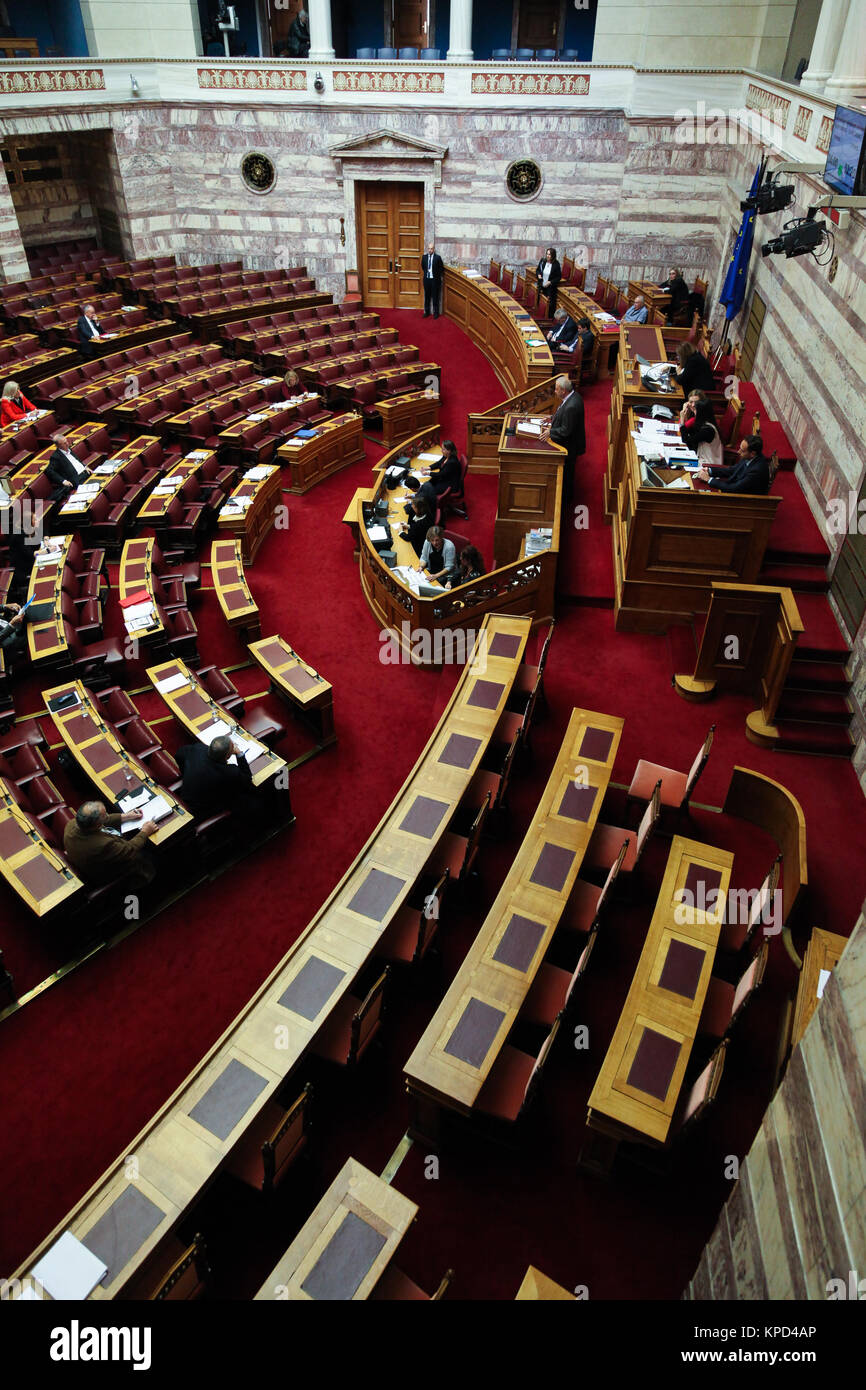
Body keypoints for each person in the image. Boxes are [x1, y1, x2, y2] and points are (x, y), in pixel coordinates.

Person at [63, 801, 157, 890]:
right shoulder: (103, 845)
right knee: (151, 850)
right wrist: (145, 832)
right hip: (119, 873)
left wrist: (126, 816)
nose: (107, 816)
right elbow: (130, 849)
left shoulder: (72, 824)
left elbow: (104, 820)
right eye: (105, 815)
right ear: (97, 825)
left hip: (96, 860)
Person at [176, 734, 261, 818]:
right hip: (203, 811)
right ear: (227, 756)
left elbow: (178, 755)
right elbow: (247, 779)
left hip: (185, 798)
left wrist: (187, 771)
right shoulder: (230, 772)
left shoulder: (198, 748)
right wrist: (239, 754)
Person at [696, 434, 771, 494]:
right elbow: (732, 470)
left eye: (742, 450)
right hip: (735, 489)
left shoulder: (757, 471)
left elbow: (734, 489)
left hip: (744, 502)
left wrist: (709, 479)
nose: (738, 452)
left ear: (752, 453)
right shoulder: (749, 457)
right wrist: (710, 471)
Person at [543, 374, 586, 470]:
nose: (554, 391)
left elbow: (566, 430)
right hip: (571, 442)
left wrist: (550, 432)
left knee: (567, 473)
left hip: (569, 447)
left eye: (556, 389)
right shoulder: (573, 395)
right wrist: (552, 417)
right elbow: (565, 416)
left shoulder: (571, 406)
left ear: (563, 391)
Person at [679, 391, 723, 470]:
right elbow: (689, 432)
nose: (693, 410)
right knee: (675, 462)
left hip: (708, 465)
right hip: (699, 458)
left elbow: (686, 440)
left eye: (696, 410)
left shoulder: (708, 430)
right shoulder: (702, 423)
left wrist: (682, 420)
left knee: (677, 465)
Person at [46, 434, 90, 501]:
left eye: (66, 441)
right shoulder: (56, 456)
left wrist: (85, 466)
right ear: (58, 446)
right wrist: (63, 481)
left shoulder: (69, 450)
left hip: (86, 473)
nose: (67, 444)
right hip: (78, 479)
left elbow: (76, 461)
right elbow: (49, 471)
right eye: (64, 443)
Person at [535, 247, 562, 317]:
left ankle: (547, 317)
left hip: (550, 289)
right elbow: (538, 270)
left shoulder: (556, 264)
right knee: (540, 302)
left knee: (548, 305)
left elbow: (558, 277)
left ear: (553, 256)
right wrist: (538, 275)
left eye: (549, 255)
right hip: (541, 286)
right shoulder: (542, 261)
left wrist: (550, 282)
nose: (547, 256)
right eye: (547, 254)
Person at [421, 241, 443, 318]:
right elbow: (423, 267)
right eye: (429, 248)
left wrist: (436, 276)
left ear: (434, 249)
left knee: (435, 296)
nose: (430, 250)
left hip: (435, 280)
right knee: (427, 296)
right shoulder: (424, 257)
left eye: (431, 249)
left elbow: (441, 269)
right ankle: (426, 312)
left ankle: (435, 312)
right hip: (427, 280)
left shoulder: (438, 258)